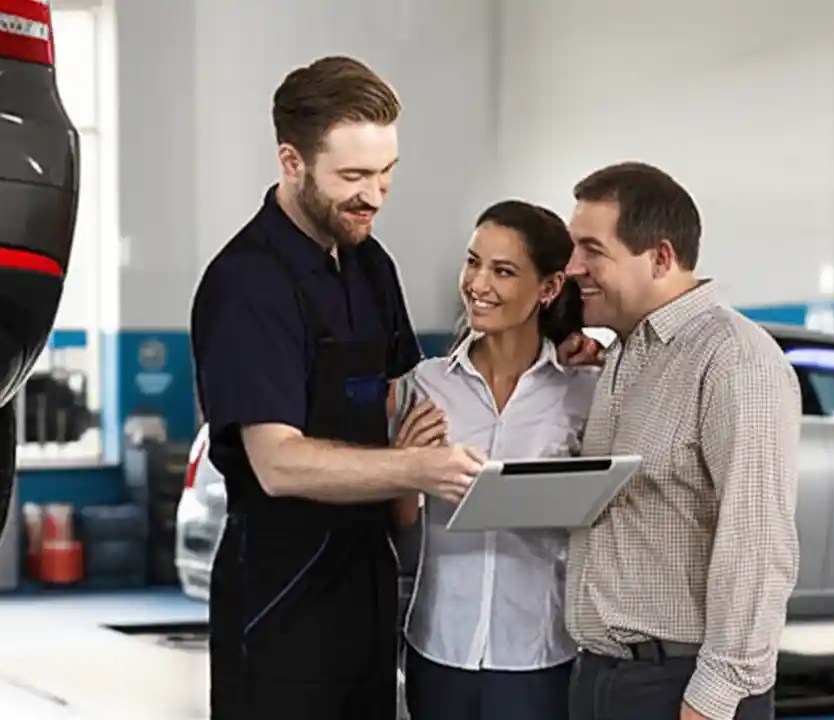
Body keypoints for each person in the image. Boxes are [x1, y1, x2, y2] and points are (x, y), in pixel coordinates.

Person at [189, 56, 600, 720]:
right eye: (353, 176)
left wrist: (563, 347)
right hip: (280, 594)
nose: (375, 196)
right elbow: (276, 462)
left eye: (386, 174)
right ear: (292, 162)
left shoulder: (369, 263)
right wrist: (416, 468)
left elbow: (405, 388)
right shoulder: (247, 286)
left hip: (367, 589)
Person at [561, 162, 801, 720]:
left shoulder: (734, 360)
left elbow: (758, 544)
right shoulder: (622, 355)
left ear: (661, 258)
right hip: (602, 677)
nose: (573, 267)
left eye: (591, 249)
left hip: (683, 687)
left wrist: (714, 696)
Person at [386, 199, 600, 720]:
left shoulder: (583, 391)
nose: (478, 284)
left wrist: (605, 354)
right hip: (439, 646)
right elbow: (401, 523)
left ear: (548, 289)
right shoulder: (426, 385)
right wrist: (404, 463)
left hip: (539, 651)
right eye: (473, 261)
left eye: (503, 271)